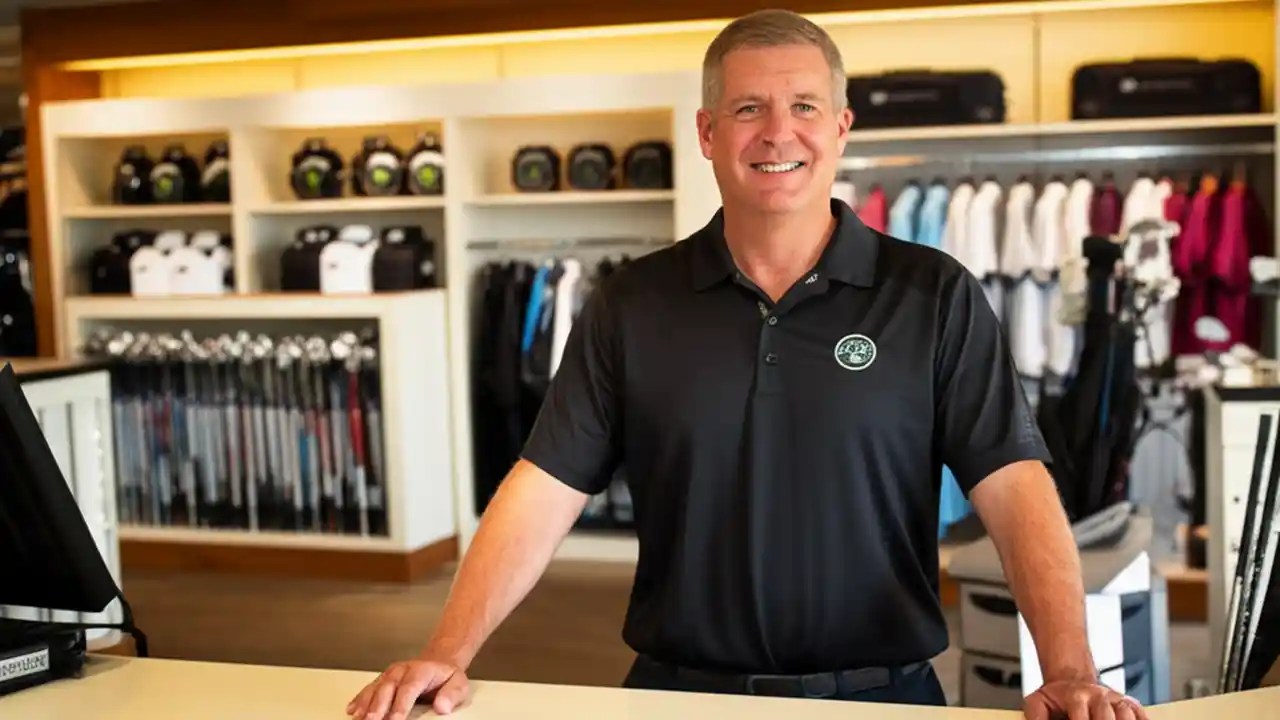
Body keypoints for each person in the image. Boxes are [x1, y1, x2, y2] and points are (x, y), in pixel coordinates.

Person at [347, 9, 1149, 720]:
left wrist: (1069, 670)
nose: (777, 133)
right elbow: (543, 489)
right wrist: (448, 649)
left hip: (883, 698)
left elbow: (1013, 486)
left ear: (841, 127)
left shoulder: (932, 294)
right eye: (747, 109)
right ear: (707, 133)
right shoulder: (632, 302)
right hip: (674, 697)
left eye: (803, 106)